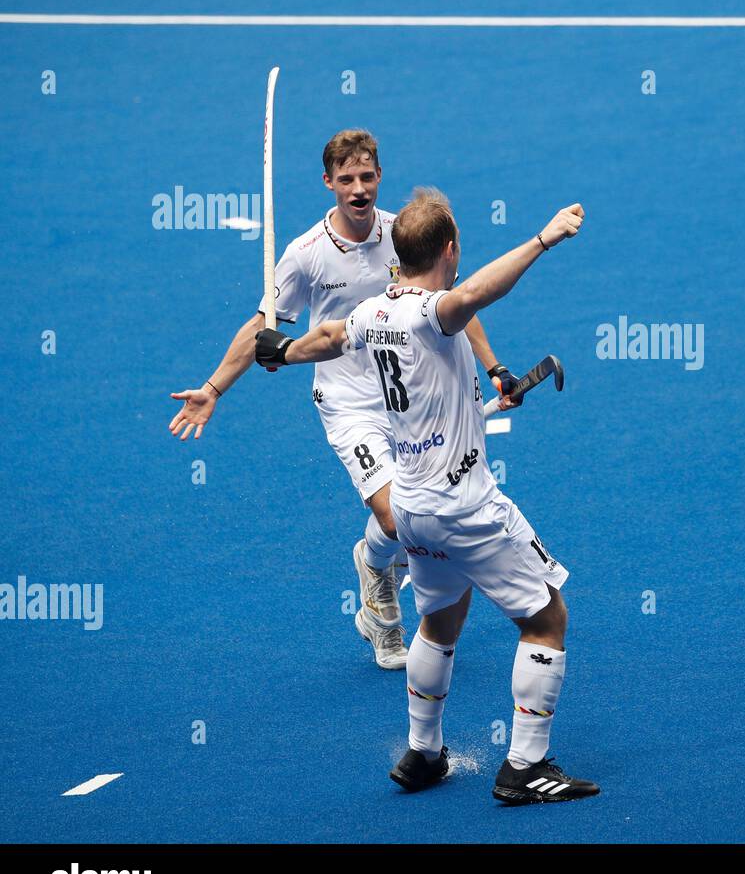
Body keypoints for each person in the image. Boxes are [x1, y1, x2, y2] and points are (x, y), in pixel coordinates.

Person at [253, 188, 598, 804]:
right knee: (547, 617)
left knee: (440, 621)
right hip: (468, 509)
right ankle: (526, 767)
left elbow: (327, 337)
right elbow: (475, 295)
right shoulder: (432, 311)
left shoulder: (371, 314)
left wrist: (281, 350)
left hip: (411, 510)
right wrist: (544, 239)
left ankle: (422, 752)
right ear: (449, 249)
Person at [167, 131, 520, 666]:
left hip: (407, 396)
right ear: (328, 182)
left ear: (379, 177)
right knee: (397, 520)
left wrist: (494, 367)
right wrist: (214, 388)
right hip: (347, 402)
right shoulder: (305, 255)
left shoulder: (402, 236)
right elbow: (263, 328)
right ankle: (377, 570)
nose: (359, 188)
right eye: (347, 179)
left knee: (420, 513)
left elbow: (451, 304)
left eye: (368, 177)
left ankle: (378, 564)